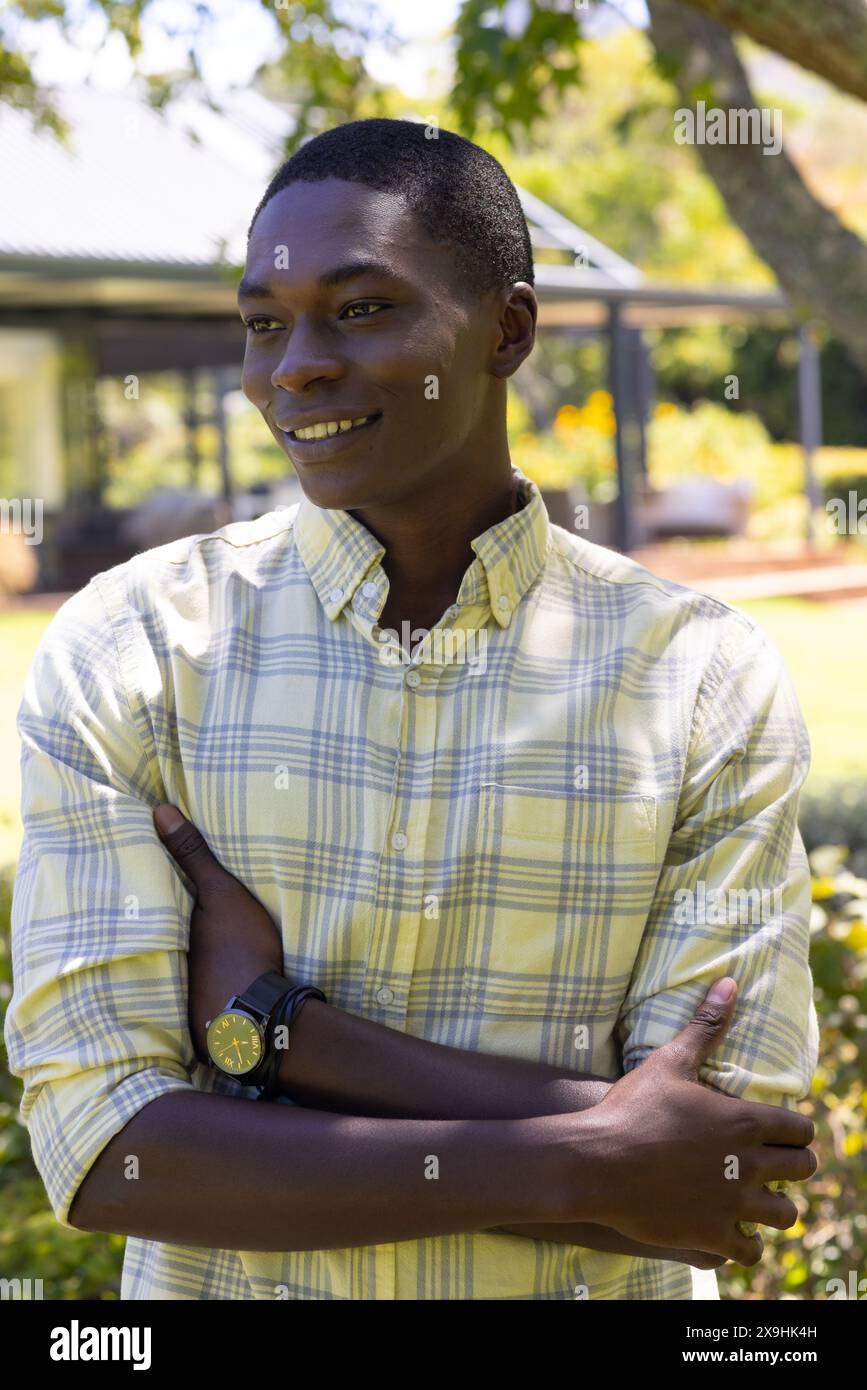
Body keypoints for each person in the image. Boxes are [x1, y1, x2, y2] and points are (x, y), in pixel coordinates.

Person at [5, 118, 818, 1301]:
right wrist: (596, 1156)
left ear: (509, 329)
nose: (293, 367)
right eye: (262, 322)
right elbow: (107, 1150)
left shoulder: (700, 677)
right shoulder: (135, 649)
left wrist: (278, 1033)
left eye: (363, 307)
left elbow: (723, 1172)